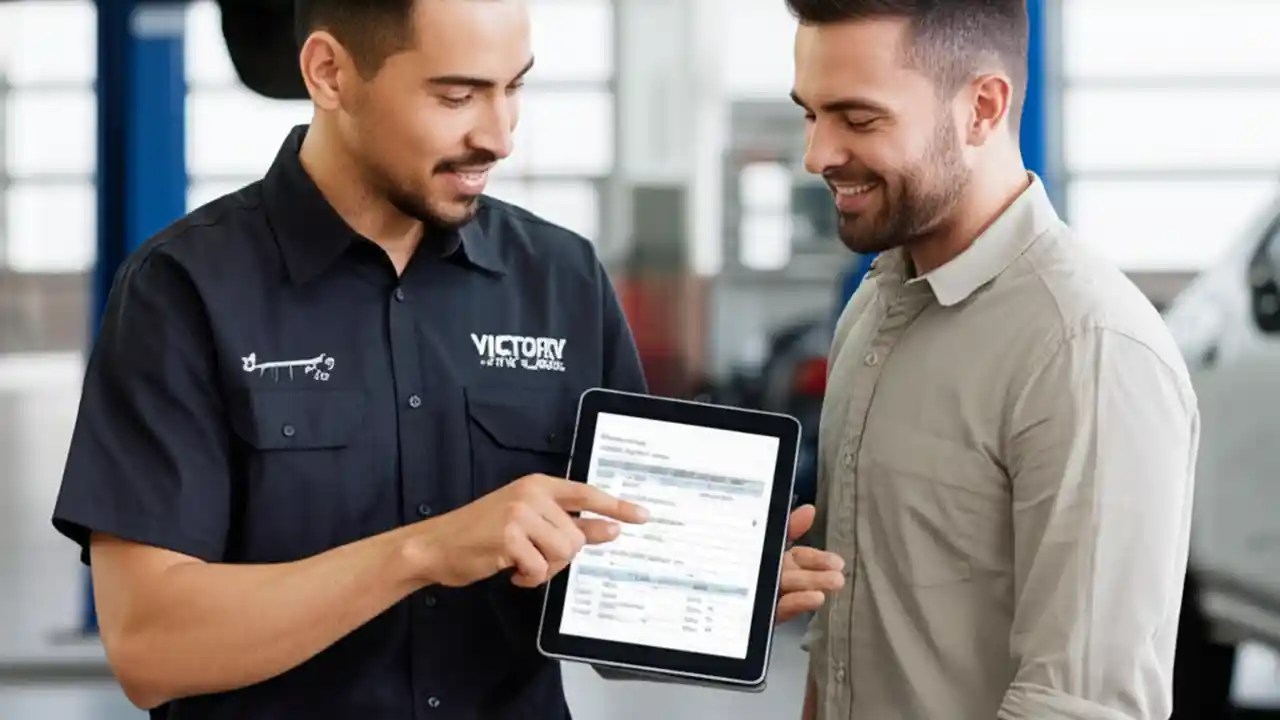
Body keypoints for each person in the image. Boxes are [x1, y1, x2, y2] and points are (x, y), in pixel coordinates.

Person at [50, 1, 846, 718]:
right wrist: (422, 552)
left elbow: (603, 627)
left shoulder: (560, 280)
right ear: (329, 73)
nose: (498, 135)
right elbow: (151, 649)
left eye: (515, 88)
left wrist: (707, 599)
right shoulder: (185, 292)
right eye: (456, 95)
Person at [786, 1, 1199, 719]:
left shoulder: (1087, 349)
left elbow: (1077, 704)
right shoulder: (876, 308)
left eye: (857, 119)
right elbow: (841, 640)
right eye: (810, 114)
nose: (817, 154)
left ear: (982, 108)